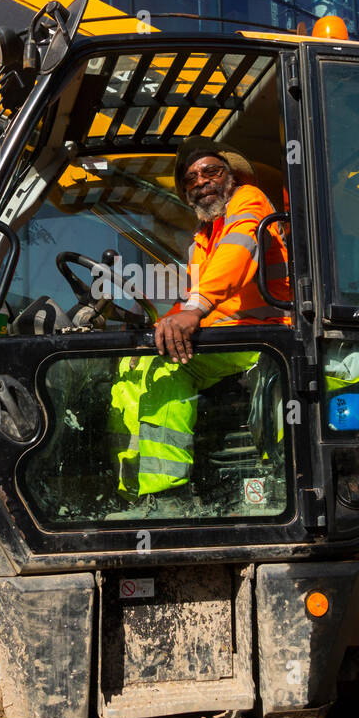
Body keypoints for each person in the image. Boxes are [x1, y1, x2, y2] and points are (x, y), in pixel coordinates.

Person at [109, 136, 291, 502]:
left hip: (266, 338)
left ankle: (167, 494)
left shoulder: (248, 202)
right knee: (135, 367)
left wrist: (196, 308)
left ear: (230, 176)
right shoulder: (203, 237)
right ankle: (136, 493)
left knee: (168, 370)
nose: (201, 181)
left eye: (211, 171)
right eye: (191, 178)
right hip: (229, 337)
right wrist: (160, 327)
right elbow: (193, 298)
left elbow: (236, 255)